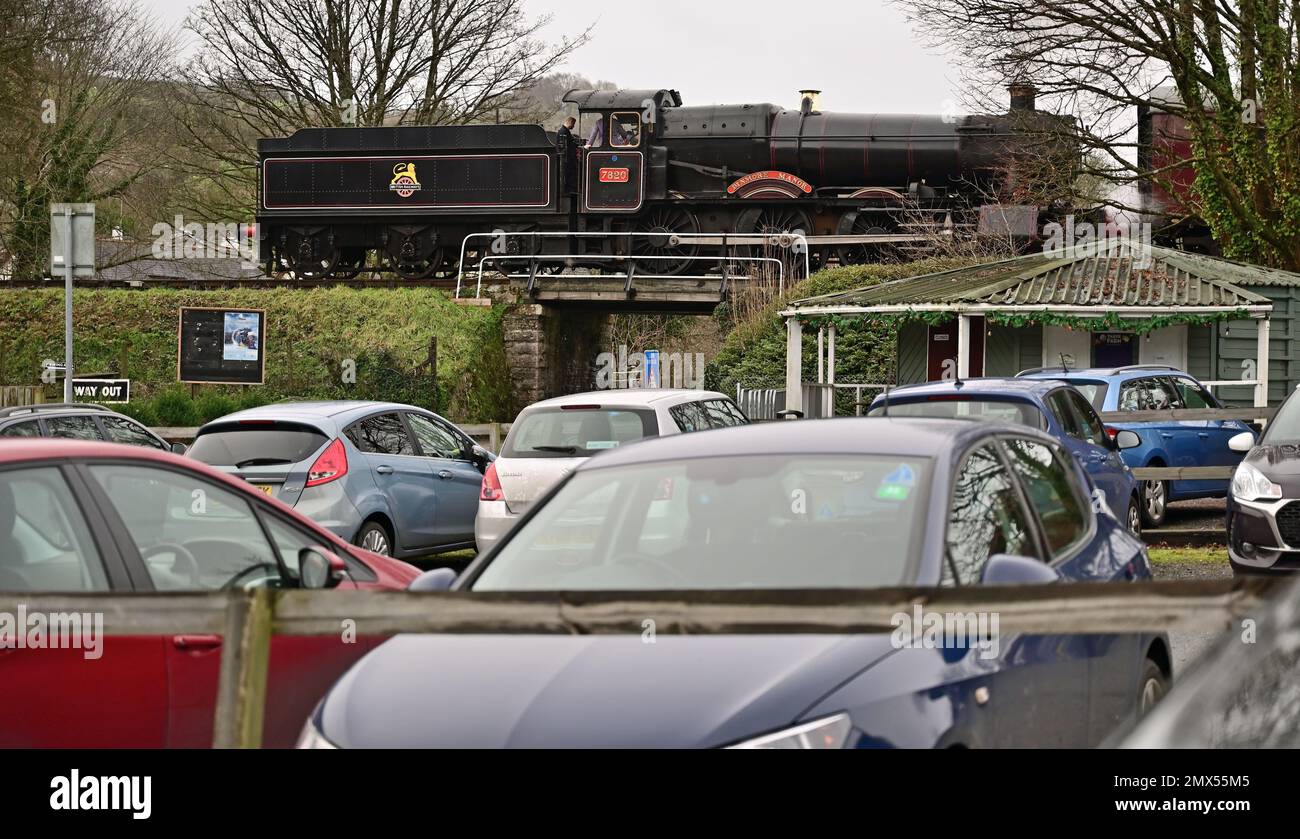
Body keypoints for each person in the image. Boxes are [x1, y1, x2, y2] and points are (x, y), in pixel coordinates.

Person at [556, 116, 580, 196]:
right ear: (570, 123)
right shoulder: (563, 132)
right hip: (567, 159)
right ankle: (569, 190)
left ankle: (571, 189)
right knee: (569, 174)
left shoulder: (565, 131)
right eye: (573, 124)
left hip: (568, 158)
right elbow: (566, 146)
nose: (573, 126)